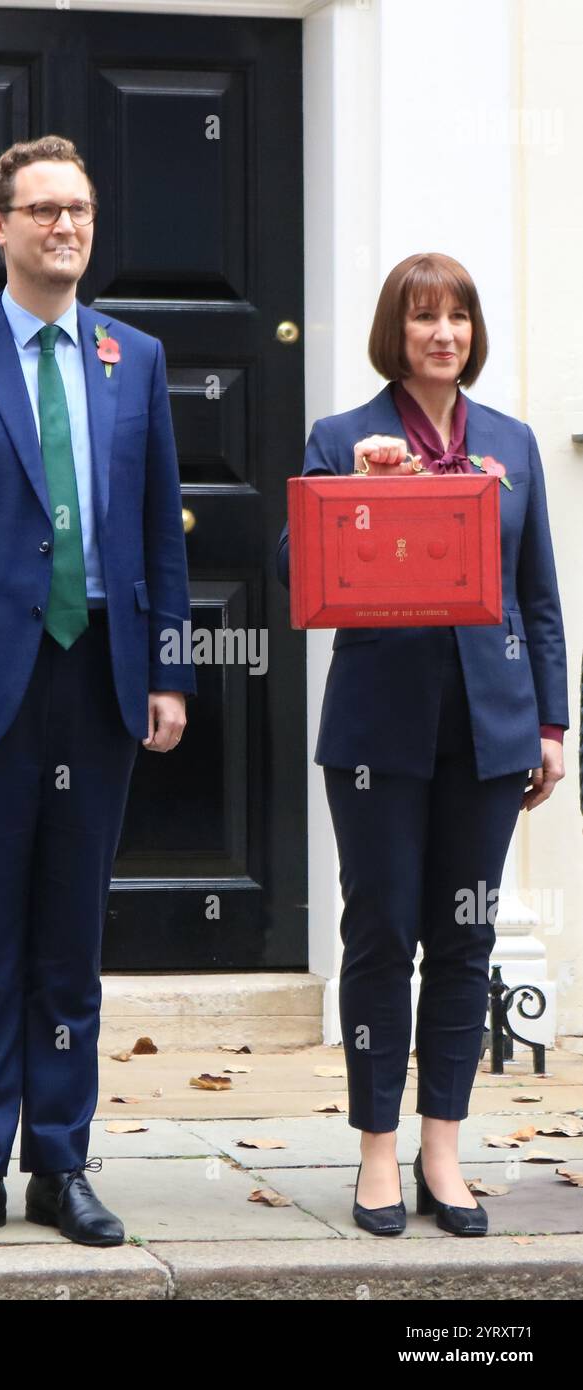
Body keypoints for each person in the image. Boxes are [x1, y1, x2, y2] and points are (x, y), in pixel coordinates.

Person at [0, 135, 196, 1252]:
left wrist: (167, 666)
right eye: (45, 209)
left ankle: (60, 1161)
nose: (67, 227)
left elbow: (159, 525)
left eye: (82, 210)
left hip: (96, 671)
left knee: (69, 934)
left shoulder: (133, 357)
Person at [276, 252, 568, 1236]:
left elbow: (536, 598)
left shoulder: (512, 445)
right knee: (380, 933)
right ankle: (372, 1154)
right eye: (421, 318)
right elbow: (294, 573)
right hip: (375, 732)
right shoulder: (342, 436)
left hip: (486, 734)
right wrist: (351, 494)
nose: (441, 334)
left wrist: (549, 723)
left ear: (472, 332)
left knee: (463, 938)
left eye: (456, 318)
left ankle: (441, 1152)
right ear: (393, 333)